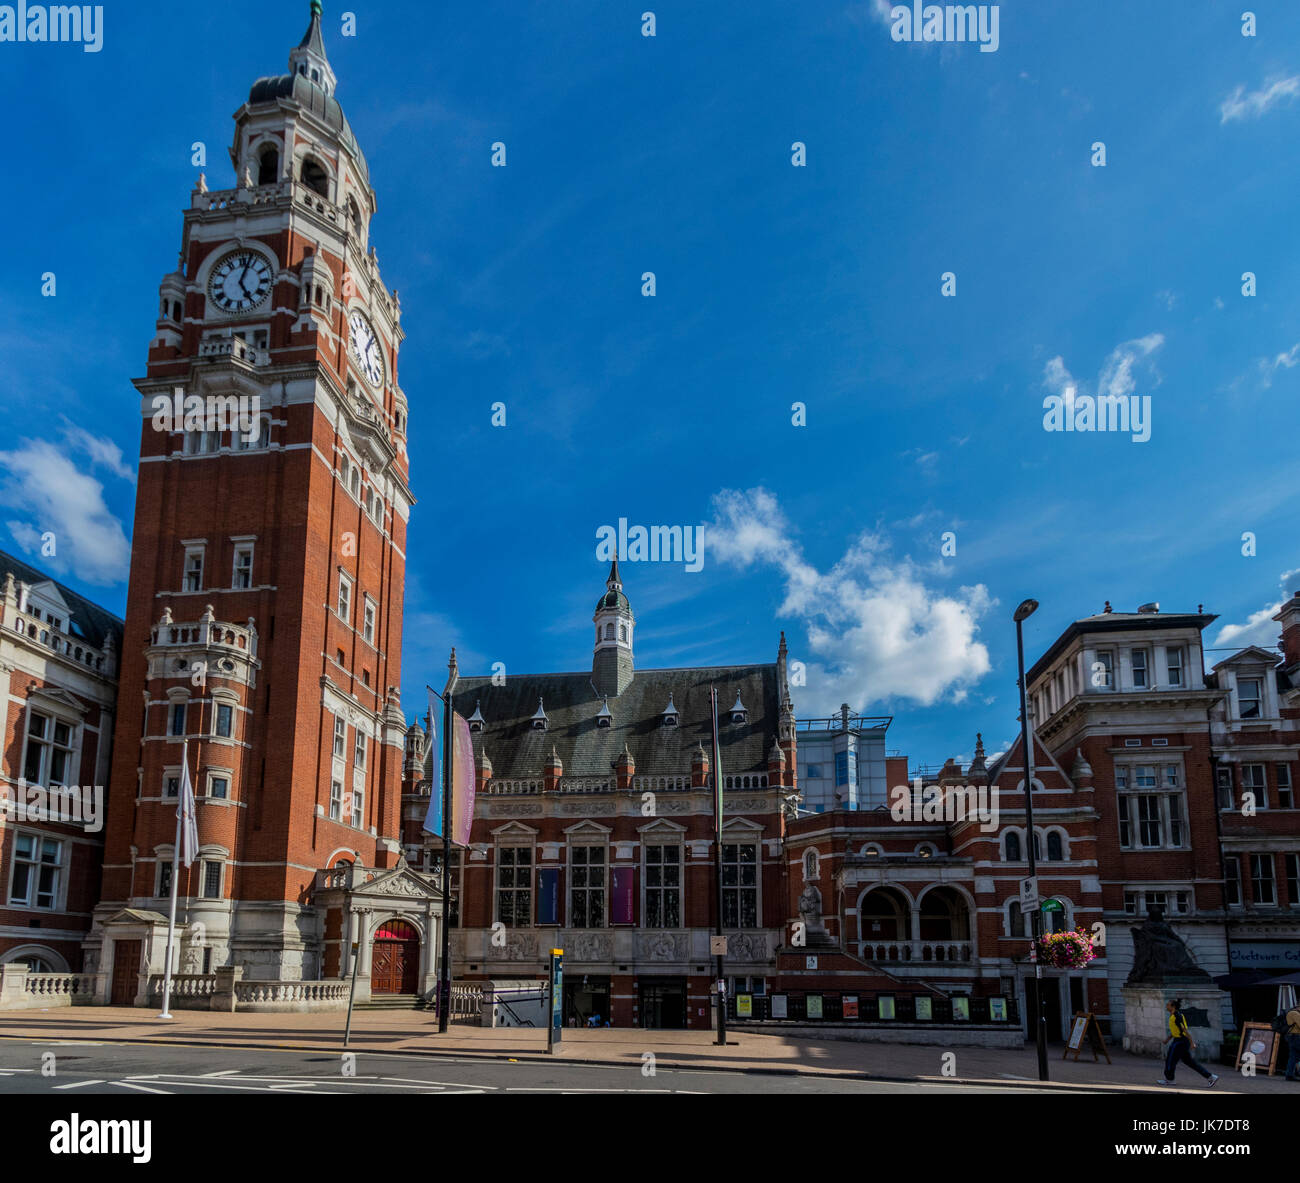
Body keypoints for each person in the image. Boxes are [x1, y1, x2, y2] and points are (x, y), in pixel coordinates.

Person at [1158, 999, 1218, 1087]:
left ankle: (1170, 1080)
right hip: (1179, 1041)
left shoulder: (1177, 1016)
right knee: (1189, 1062)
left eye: (1168, 1005)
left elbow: (1184, 1031)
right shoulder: (1173, 1016)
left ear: (1173, 1007)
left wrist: (1192, 1043)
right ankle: (1211, 1077)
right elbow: (1176, 1030)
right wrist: (1167, 1039)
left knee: (1170, 1060)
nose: (1166, 1006)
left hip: (1180, 1042)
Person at [1285, 1001, 1300, 1083]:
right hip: (1296, 1036)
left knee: (1293, 1056)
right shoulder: (1294, 1013)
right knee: (1293, 1056)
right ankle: (1289, 1074)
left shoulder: (1293, 1013)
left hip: (1294, 1037)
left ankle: (1289, 1074)